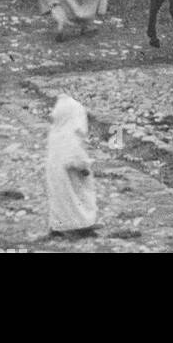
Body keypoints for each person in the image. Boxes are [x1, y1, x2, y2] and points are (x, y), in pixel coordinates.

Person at [46, 94, 97, 238]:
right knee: (77, 200)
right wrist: (85, 168)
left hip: (57, 175)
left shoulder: (56, 133)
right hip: (71, 176)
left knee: (60, 201)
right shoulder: (70, 136)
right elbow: (75, 158)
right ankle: (78, 225)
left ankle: (60, 224)